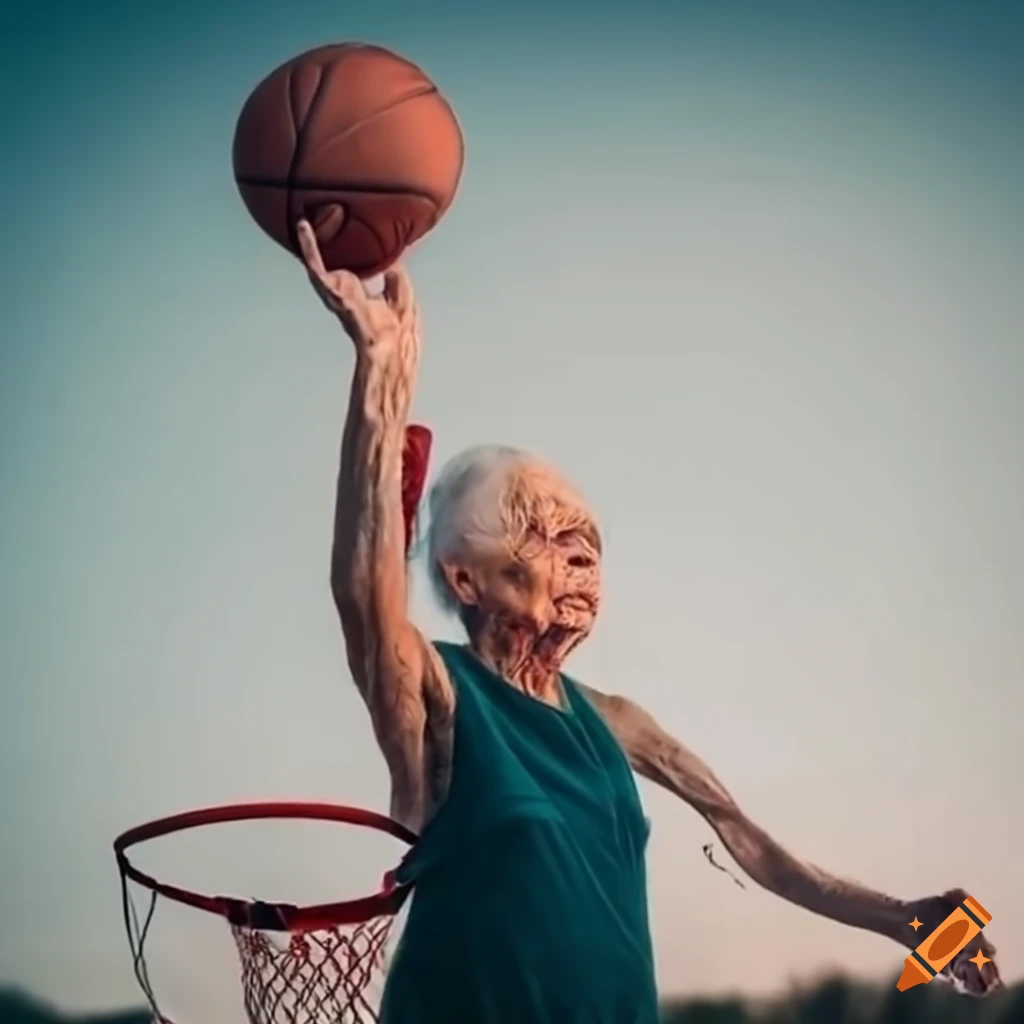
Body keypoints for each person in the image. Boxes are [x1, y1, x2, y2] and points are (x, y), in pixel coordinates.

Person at [295, 220, 1002, 1022]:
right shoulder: (438, 697)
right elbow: (363, 594)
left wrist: (906, 920)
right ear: (467, 577)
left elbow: (755, 846)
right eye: (544, 534)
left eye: (588, 540)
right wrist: (382, 379)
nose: (583, 557)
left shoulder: (615, 722)